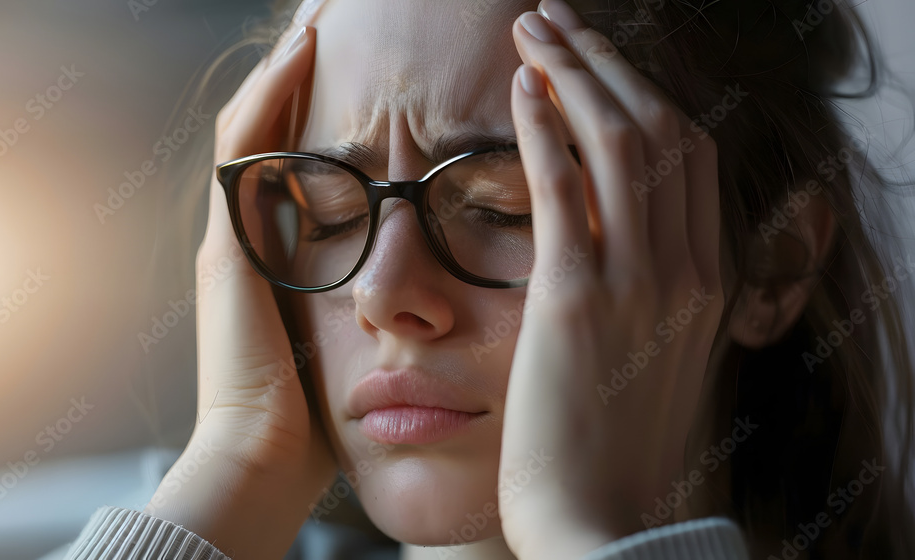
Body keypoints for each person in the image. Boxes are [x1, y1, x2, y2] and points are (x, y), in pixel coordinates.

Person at [62, 0, 915, 558]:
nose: (383, 293)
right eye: (330, 212)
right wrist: (236, 463)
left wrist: (579, 530)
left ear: (774, 264)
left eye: (508, 206)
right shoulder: (180, 520)